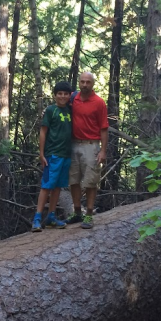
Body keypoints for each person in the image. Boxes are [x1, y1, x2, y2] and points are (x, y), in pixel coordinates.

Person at [67, 71, 108, 229]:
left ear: (93, 84)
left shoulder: (99, 102)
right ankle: (77, 212)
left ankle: (89, 214)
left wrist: (103, 150)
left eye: (88, 82)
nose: (84, 85)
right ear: (79, 82)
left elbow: (104, 128)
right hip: (73, 144)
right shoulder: (73, 99)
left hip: (91, 145)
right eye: (82, 82)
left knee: (91, 181)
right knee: (74, 180)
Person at [32, 81, 73, 232]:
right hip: (52, 154)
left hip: (66, 155)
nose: (62, 96)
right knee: (47, 186)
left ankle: (51, 216)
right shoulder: (51, 110)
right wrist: (41, 153)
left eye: (66, 94)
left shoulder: (70, 110)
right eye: (59, 94)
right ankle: (37, 218)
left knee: (58, 187)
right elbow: (43, 131)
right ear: (55, 95)